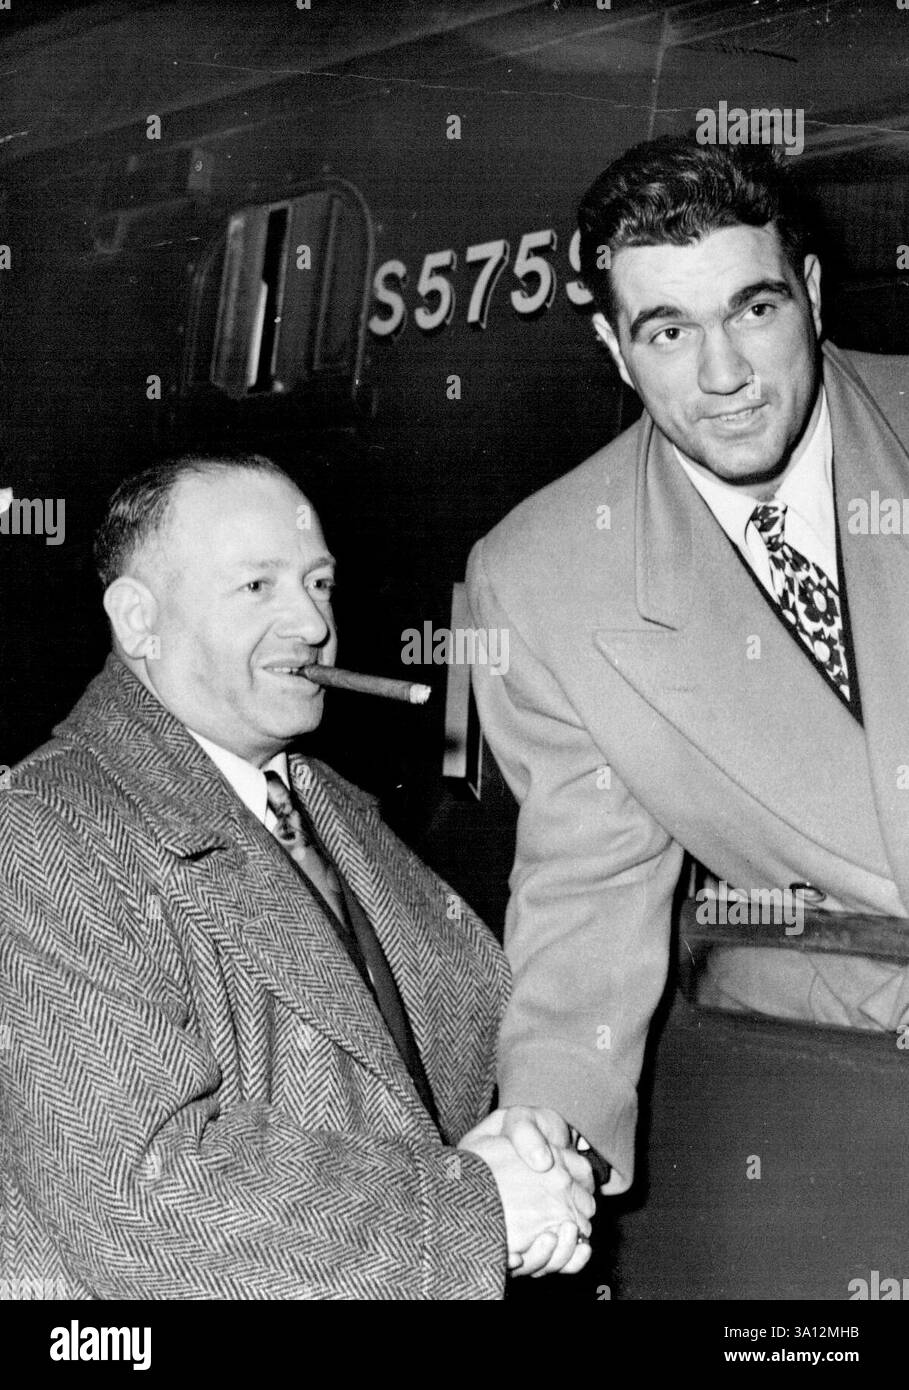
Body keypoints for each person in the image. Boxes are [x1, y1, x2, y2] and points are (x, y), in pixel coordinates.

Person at [0, 452, 595, 1300]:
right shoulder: (45, 826)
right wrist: (474, 1212)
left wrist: (534, 1157)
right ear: (139, 621)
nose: (312, 624)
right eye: (257, 588)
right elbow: (150, 1193)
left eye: (318, 585)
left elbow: (445, 1064)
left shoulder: (326, 807)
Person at [467, 135, 909, 1197]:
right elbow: (589, 891)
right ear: (617, 349)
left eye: (753, 310)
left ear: (808, 293)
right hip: (855, 1075)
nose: (725, 378)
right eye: (669, 331)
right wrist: (550, 1145)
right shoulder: (543, 576)